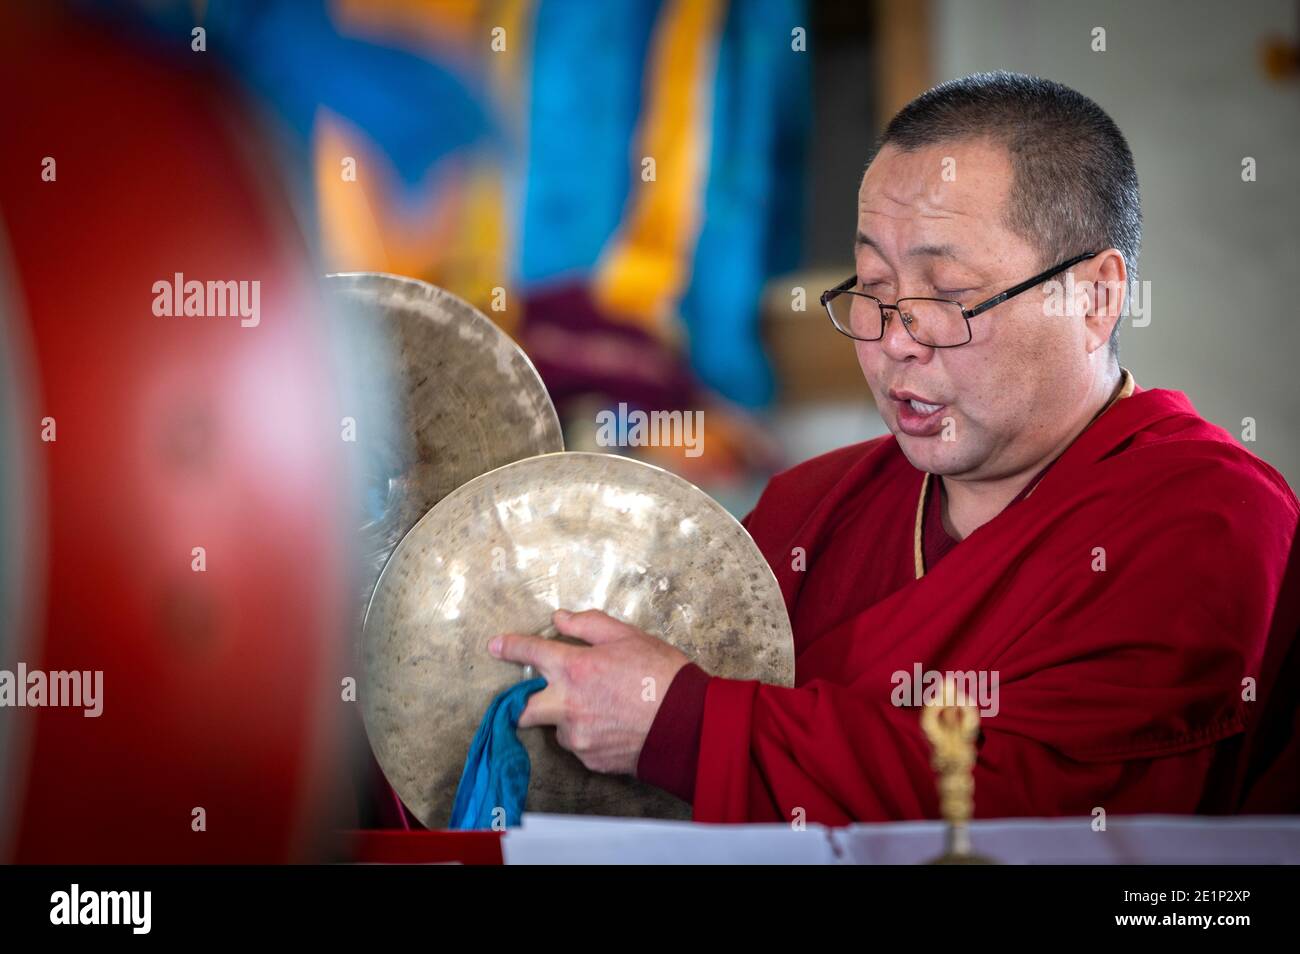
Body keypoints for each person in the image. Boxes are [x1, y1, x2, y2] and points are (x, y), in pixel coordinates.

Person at [488, 72, 1299, 823]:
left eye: (947, 297)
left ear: (1095, 295)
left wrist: (689, 727)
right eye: (873, 292)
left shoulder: (1209, 515)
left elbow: (1050, 808)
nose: (894, 343)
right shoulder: (813, 507)